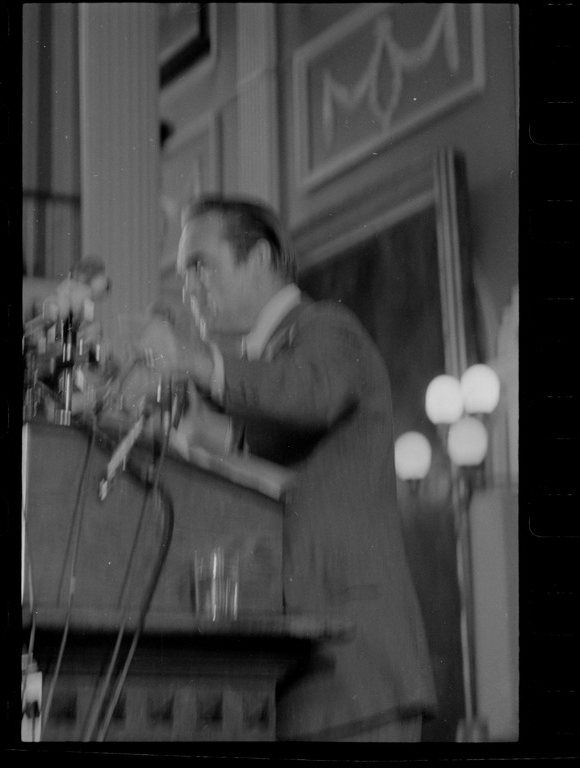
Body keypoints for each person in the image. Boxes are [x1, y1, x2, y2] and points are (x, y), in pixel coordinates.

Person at [138, 195, 436, 741]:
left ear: (260, 259)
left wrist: (198, 360)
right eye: (183, 274)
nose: (188, 287)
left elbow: (307, 394)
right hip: (289, 677)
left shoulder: (328, 329)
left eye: (200, 266)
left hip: (352, 675)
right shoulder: (262, 369)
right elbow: (273, 444)